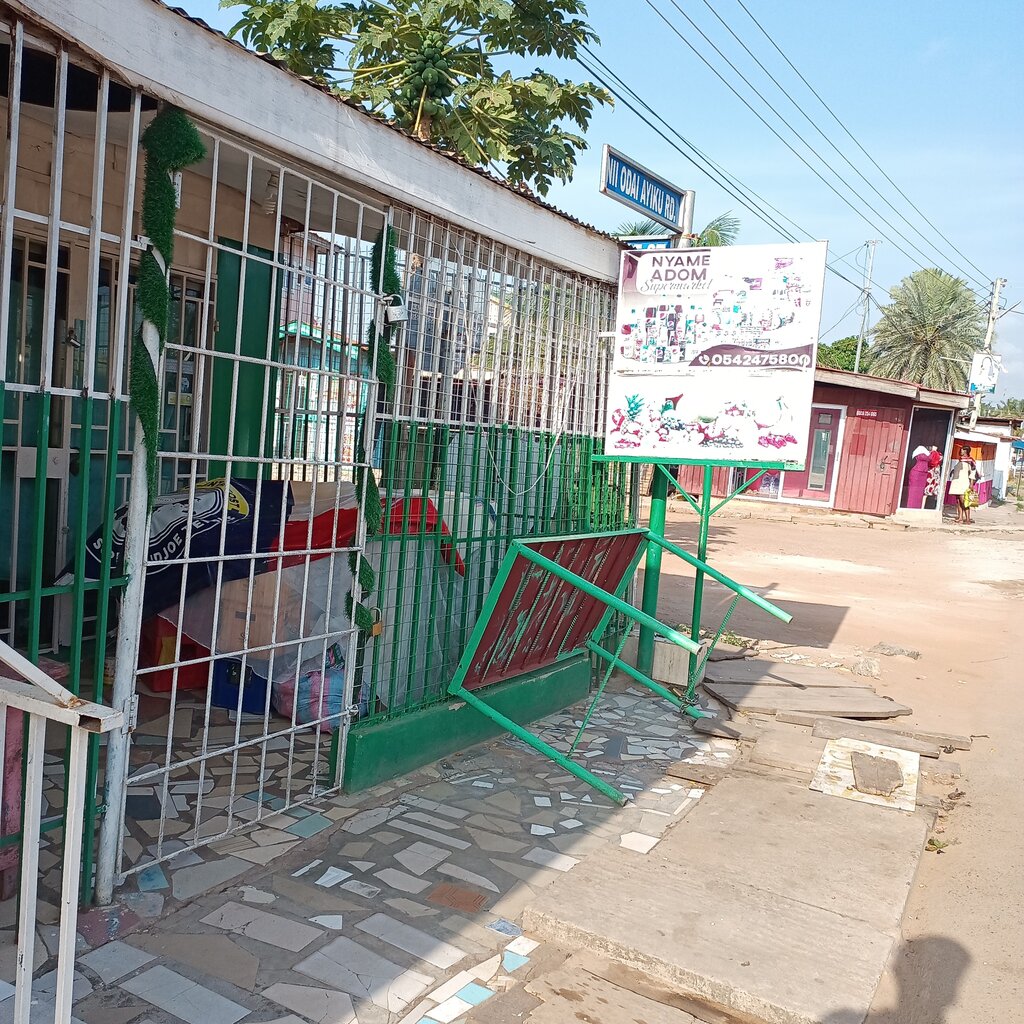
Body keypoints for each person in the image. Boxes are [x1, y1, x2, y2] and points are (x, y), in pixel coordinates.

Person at [947, 445, 979, 525]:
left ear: (965, 451)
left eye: (962, 450)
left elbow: (973, 472)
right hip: (957, 482)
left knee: (964, 501)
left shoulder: (970, 461)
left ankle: (967, 519)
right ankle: (960, 518)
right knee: (958, 501)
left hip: (964, 483)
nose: (960, 452)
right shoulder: (960, 461)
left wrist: (971, 484)